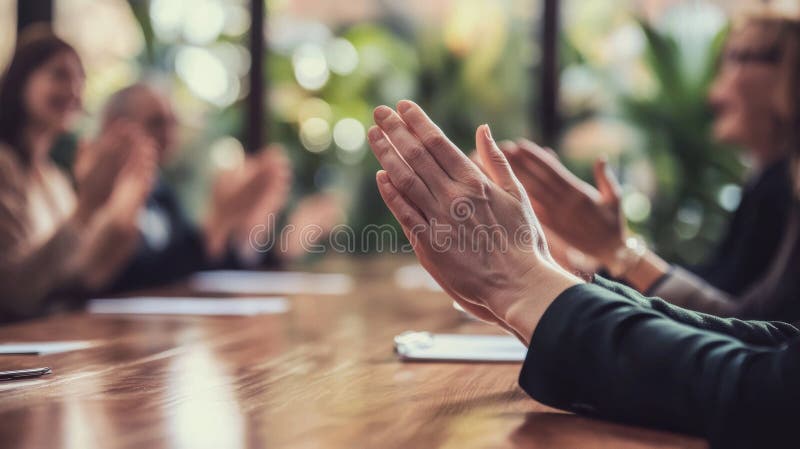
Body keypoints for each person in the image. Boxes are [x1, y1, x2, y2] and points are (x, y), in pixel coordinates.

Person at [367, 99, 800, 448]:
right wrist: (543, 290)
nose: (718, 91)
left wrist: (529, 285)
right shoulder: (764, 184)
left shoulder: (773, 188)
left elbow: (767, 396)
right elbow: (776, 341)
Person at [501, 14, 800, 321]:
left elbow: (747, 326)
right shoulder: (766, 181)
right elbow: (719, 285)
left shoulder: (782, 189)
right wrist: (592, 257)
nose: (713, 93)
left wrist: (615, 251)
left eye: (737, 57)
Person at [97, 84, 342, 292]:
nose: (168, 134)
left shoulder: (161, 192)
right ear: (113, 125)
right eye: (156, 122)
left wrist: (256, 230)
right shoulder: (99, 190)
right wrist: (222, 217)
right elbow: (130, 275)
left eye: (172, 123)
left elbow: (203, 265)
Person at [0, 28, 155, 321]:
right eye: (59, 75)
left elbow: (77, 277)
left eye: (80, 79)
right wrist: (87, 206)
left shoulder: (54, 178)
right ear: (21, 79)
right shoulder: (4, 166)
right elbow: (12, 291)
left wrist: (121, 211)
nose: (74, 90)